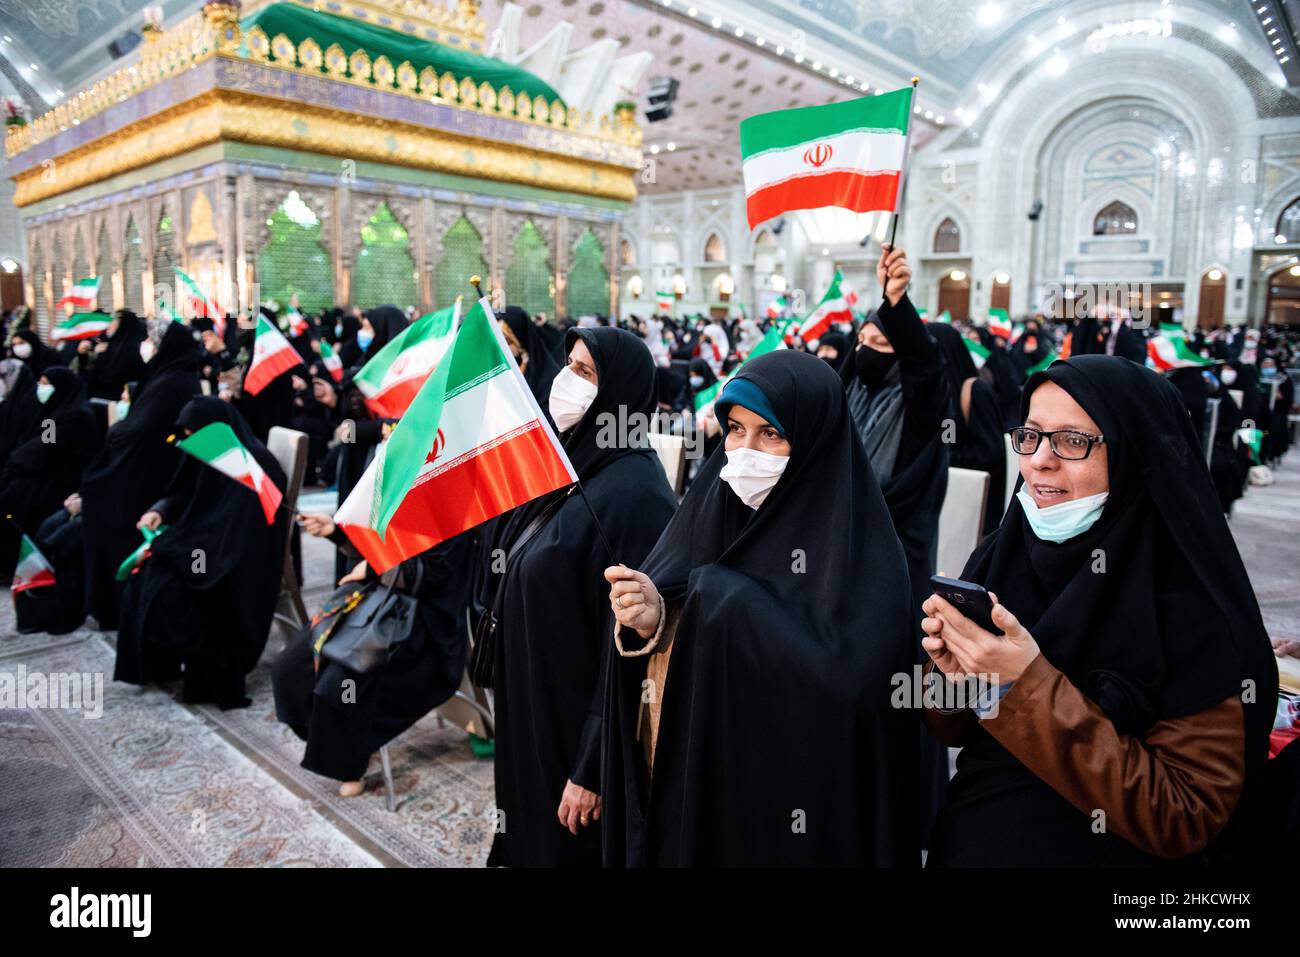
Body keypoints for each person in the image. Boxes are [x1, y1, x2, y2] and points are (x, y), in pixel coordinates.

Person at [920, 355, 1278, 866]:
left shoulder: (1187, 601)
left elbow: (1184, 812)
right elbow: (951, 729)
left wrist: (1025, 686)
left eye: (1073, 441)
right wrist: (958, 679)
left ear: (1134, 451)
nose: (1041, 459)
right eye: (1031, 435)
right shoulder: (1004, 555)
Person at [602, 349, 918, 866]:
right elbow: (677, 603)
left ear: (814, 439)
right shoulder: (714, 505)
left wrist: (727, 604)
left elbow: (857, 697)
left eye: (771, 433)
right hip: (706, 793)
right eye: (735, 430)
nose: (746, 450)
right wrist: (654, 619)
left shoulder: (863, 551)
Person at [480, 327, 676, 867]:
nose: (566, 380)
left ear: (620, 392)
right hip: (534, 706)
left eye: (586, 373)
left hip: (575, 734)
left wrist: (592, 767)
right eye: (568, 365)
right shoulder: (572, 464)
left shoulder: (637, 496)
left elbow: (633, 651)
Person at [841, 244, 950, 840]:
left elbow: (924, 366)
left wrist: (897, 307)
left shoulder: (919, 407)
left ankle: (900, 817)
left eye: (883, 345)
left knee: (895, 696)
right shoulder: (848, 389)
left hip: (897, 572)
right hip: (840, 560)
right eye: (864, 341)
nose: (869, 352)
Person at [272, 519, 474, 796]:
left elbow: (439, 574)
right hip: (376, 601)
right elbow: (374, 545)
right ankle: (339, 741)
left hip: (425, 630)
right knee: (290, 667)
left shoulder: (455, 507)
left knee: (343, 681)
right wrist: (337, 532)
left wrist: (377, 566)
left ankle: (348, 759)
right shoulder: (399, 487)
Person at [115, 397, 288, 709]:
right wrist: (162, 511)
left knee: (171, 593)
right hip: (205, 548)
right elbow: (189, 493)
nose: (189, 440)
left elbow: (236, 537)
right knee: (147, 579)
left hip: (236, 564)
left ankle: (202, 675)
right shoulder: (213, 452)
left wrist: (168, 549)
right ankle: (162, 665)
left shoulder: (256, 469)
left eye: (194, 432)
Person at [81, 320, 200, 630]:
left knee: (101, 498)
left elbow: (141, 430)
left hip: (157, 476)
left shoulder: (175, 382)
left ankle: (117, 604)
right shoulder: (164, 376)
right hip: (147, 466)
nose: (146, 345)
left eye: (153, 339)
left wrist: (116, 431)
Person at [929, 323, 1007, 535]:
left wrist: (948, 459)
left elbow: (990, 453)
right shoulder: (936, 392)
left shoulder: (975, 391)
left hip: (967, 508)